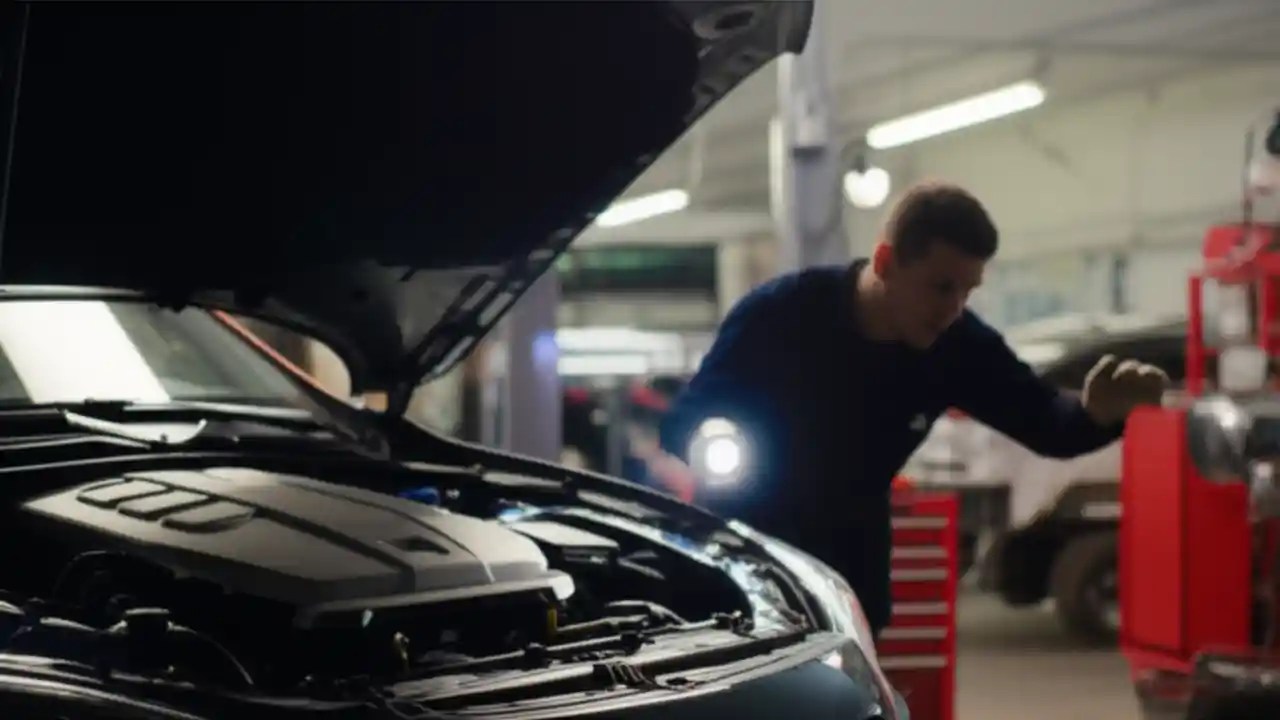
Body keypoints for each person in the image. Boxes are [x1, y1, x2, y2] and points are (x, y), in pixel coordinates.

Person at [657, 181, 1168, 639]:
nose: (954, 308)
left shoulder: (958, 346)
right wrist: (715, 439)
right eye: (941, 286)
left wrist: (1099, 416)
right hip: (742, 560)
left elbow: (1047, 426)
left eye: (968, 291)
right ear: (885, 263)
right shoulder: (778, 316)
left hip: (846, 576)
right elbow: (683, 421)